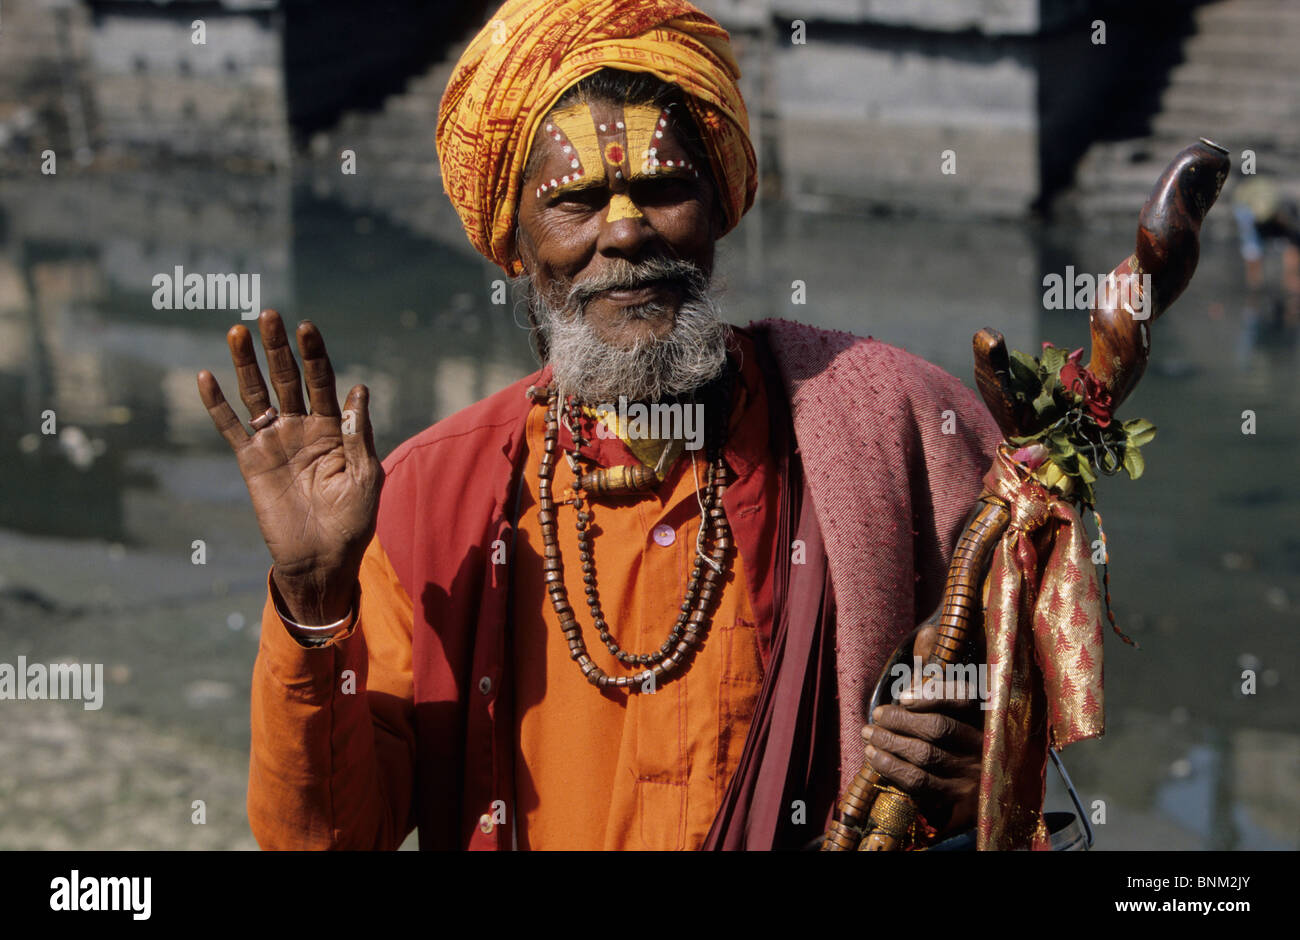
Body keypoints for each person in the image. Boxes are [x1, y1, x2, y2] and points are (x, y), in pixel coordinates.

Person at [195, 0, 1002, 850]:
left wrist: (974, 771)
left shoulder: (883, 428)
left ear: (720, 204)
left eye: (662, 189)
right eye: (575, 200)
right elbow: (328, 840)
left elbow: (1009, 721)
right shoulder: (432, 500)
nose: (625, 231)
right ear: (515, 244)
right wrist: (315, 605)